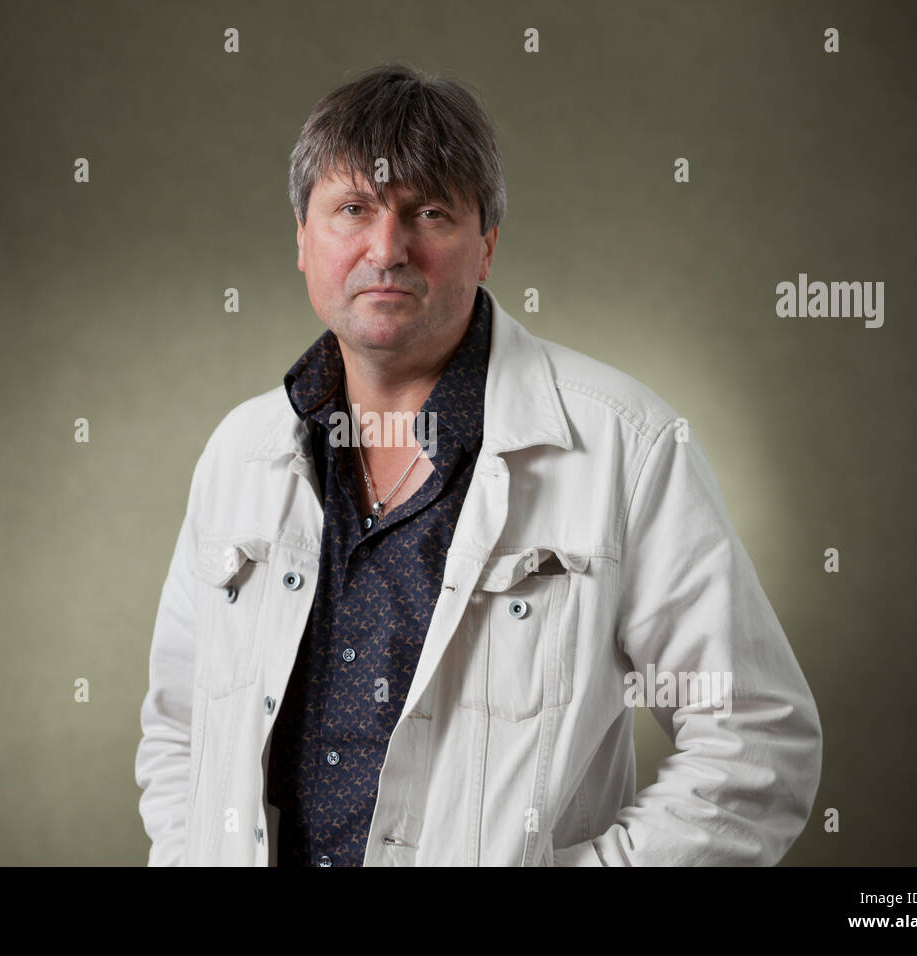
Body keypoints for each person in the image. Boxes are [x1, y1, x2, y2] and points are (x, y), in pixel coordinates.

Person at [134, 62, 822, 866]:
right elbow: (181, 730)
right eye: (352, 209)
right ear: (301, 238)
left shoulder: (626, 446)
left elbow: (756, 740)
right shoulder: (240, 454)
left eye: (428, 213)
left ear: (486, 245)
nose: (385, 249)